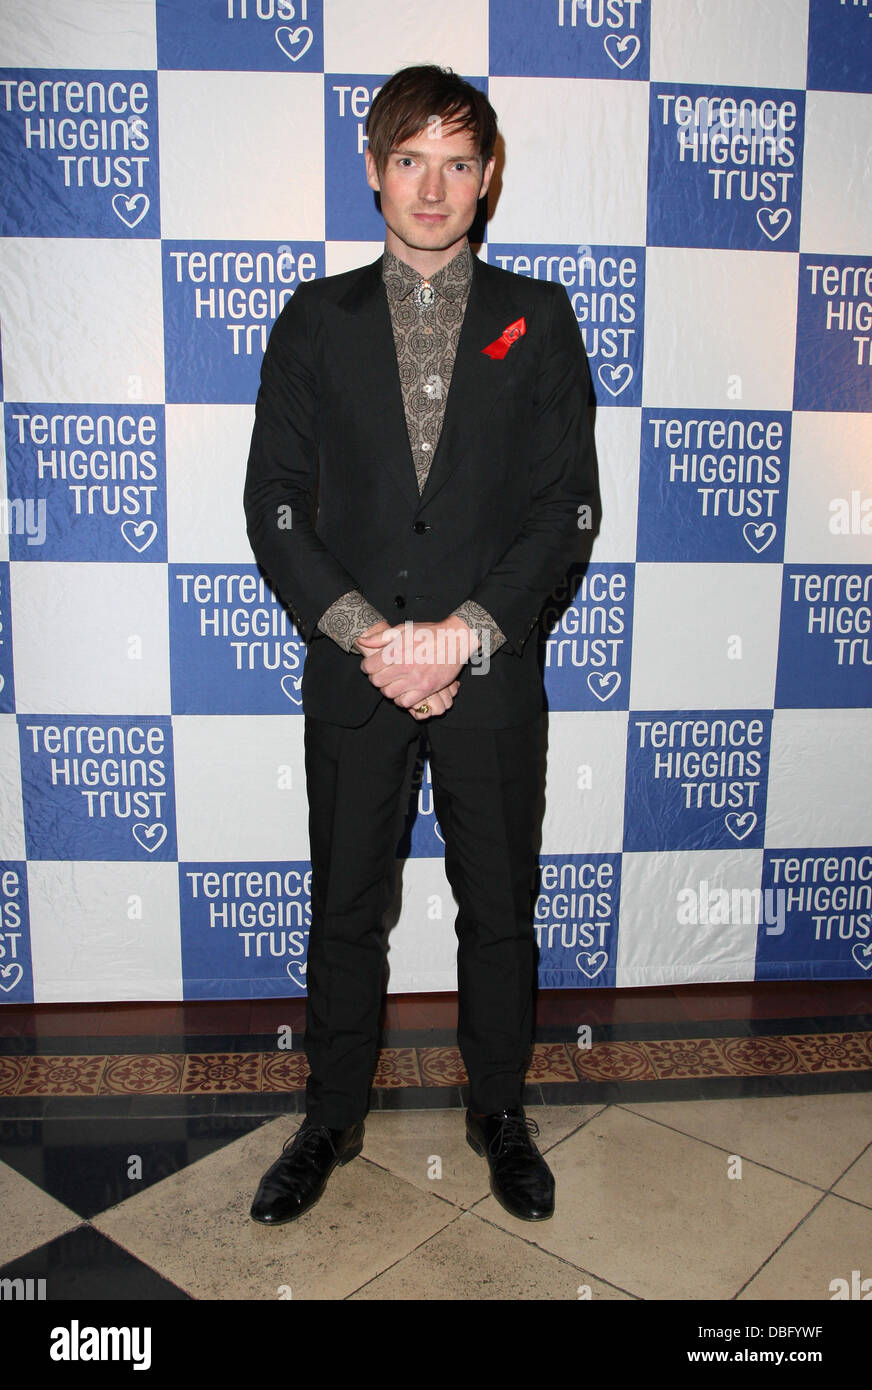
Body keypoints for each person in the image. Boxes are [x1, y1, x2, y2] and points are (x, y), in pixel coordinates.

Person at [243, 63, 598, 1225]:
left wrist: (459, 638)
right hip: (355, 678)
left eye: (457, 162)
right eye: (409, 159)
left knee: (498, 906)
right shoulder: (312, 319)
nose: (431, 186)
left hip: (490, 678)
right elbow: (277, 507)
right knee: (346, 904)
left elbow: (564, 510)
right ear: (373, 172)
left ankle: (498, 1108)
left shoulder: (536, 321)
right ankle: (329, 1112)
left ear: (487, 178)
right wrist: (374, 640)